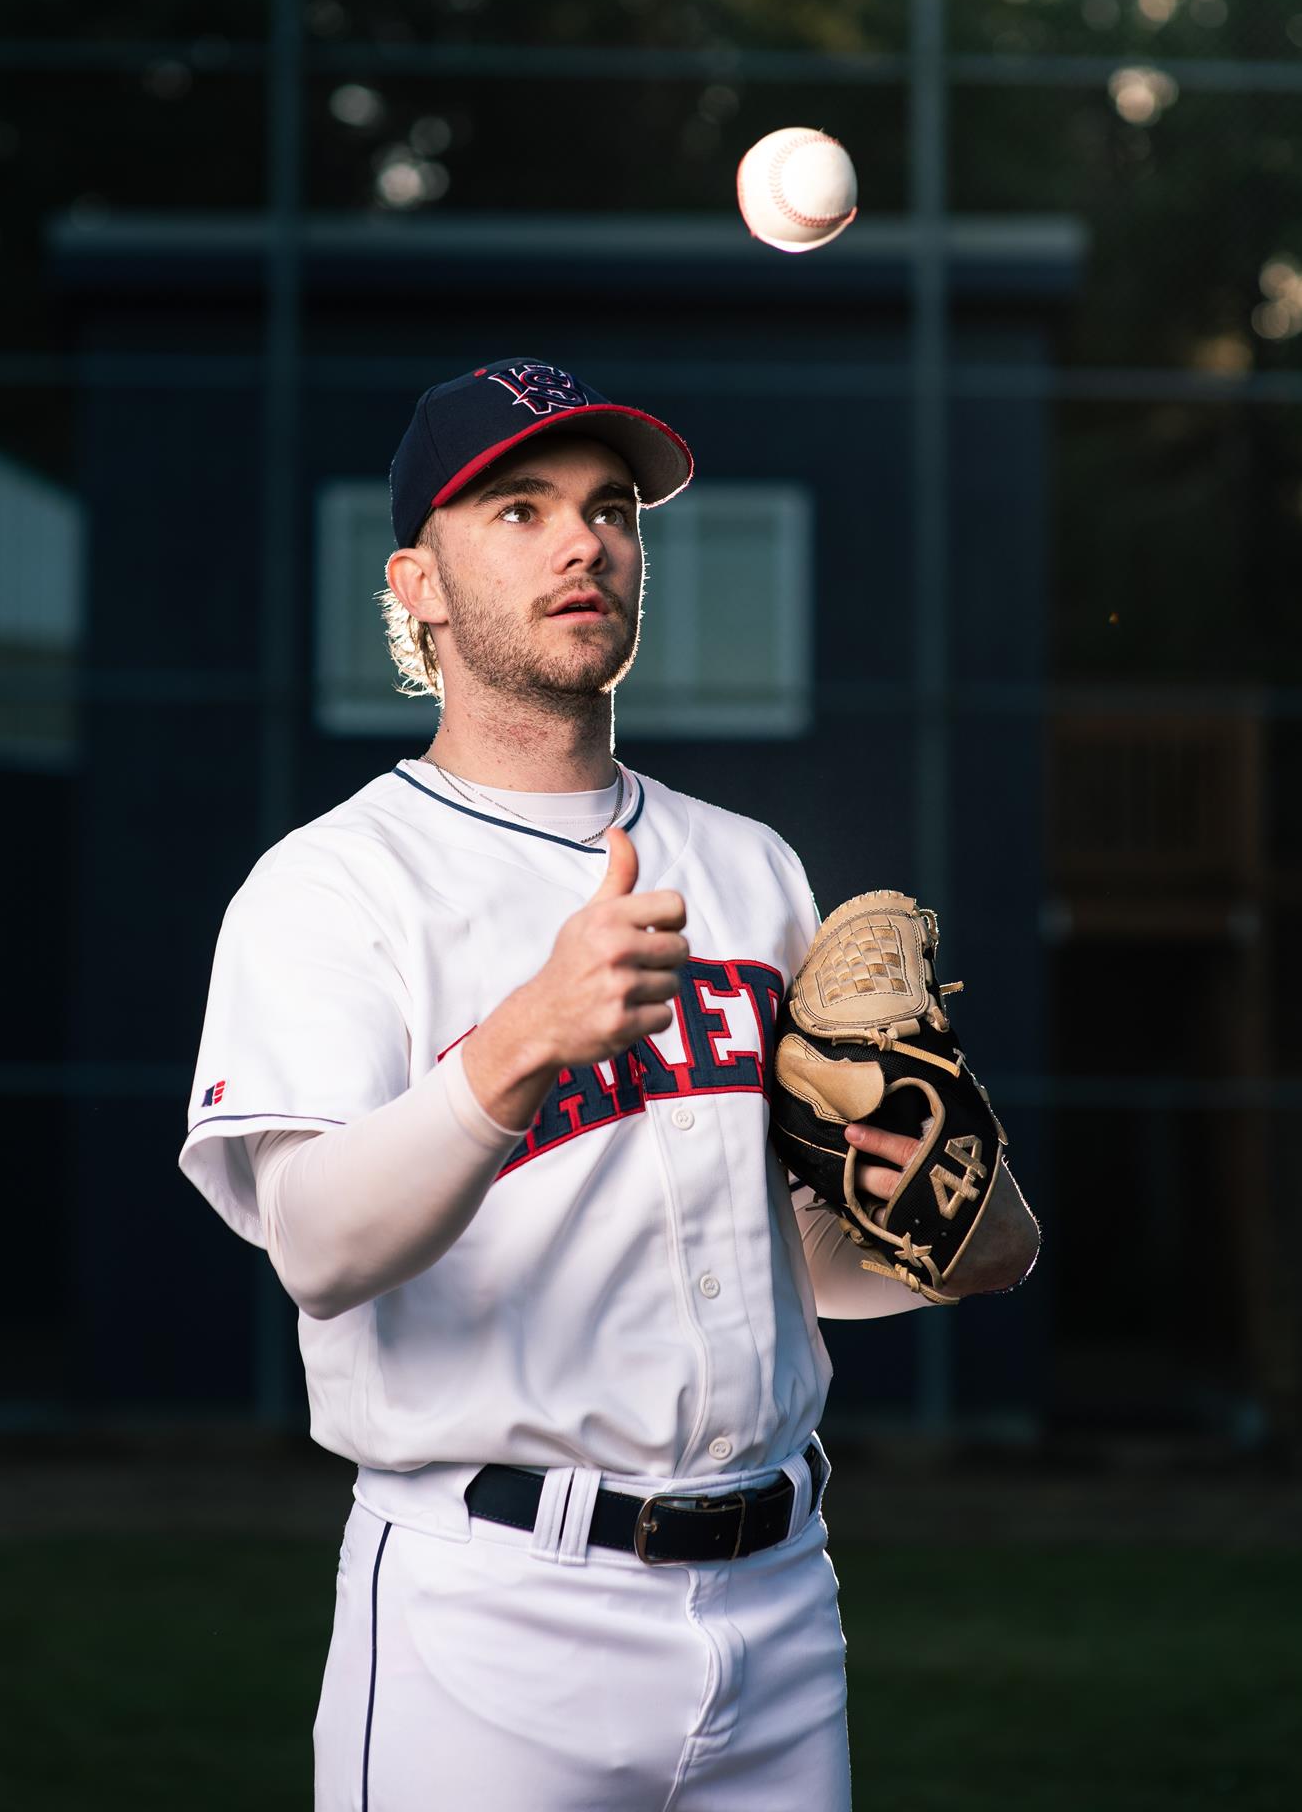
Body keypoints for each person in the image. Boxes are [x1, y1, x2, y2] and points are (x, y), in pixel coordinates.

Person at [179, 357, 1038, 1811]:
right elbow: (317, 1247)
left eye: (610, 510)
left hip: (778, 1603)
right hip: (491, 1614)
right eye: (518, 510)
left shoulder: (750, 867)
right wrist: (522, 1043)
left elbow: (796, 1262)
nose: (584, 541)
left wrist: (950, 1218)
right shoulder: (333, 887)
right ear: (419, 586)